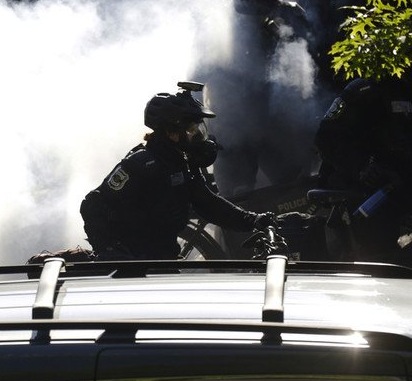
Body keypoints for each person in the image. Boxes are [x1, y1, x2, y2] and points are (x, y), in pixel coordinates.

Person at [80, 83, 274, 260]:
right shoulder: (142, 163)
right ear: (171, 132)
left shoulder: (182, 163)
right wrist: (109, 251)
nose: (199, 136)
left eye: (200, 129)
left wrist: (252, 220)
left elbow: (207, 203)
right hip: (134, 265)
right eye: (192, 130)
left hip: (163, 259)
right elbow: (92, 205)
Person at [200, 0, 319, 197]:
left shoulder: (291, 15)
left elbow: (314, 64)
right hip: (232, 125)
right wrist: (198, 127)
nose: (254, 16)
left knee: (294, 194)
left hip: (276, 123)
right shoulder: (215, 22)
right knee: (235, 201)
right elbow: (198, 74)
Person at [315, 69, 412, 265]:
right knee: (380, 261)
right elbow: (325, 137)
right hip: (366, 196)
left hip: (404, 190)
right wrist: (362, 167)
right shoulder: (365, 89)